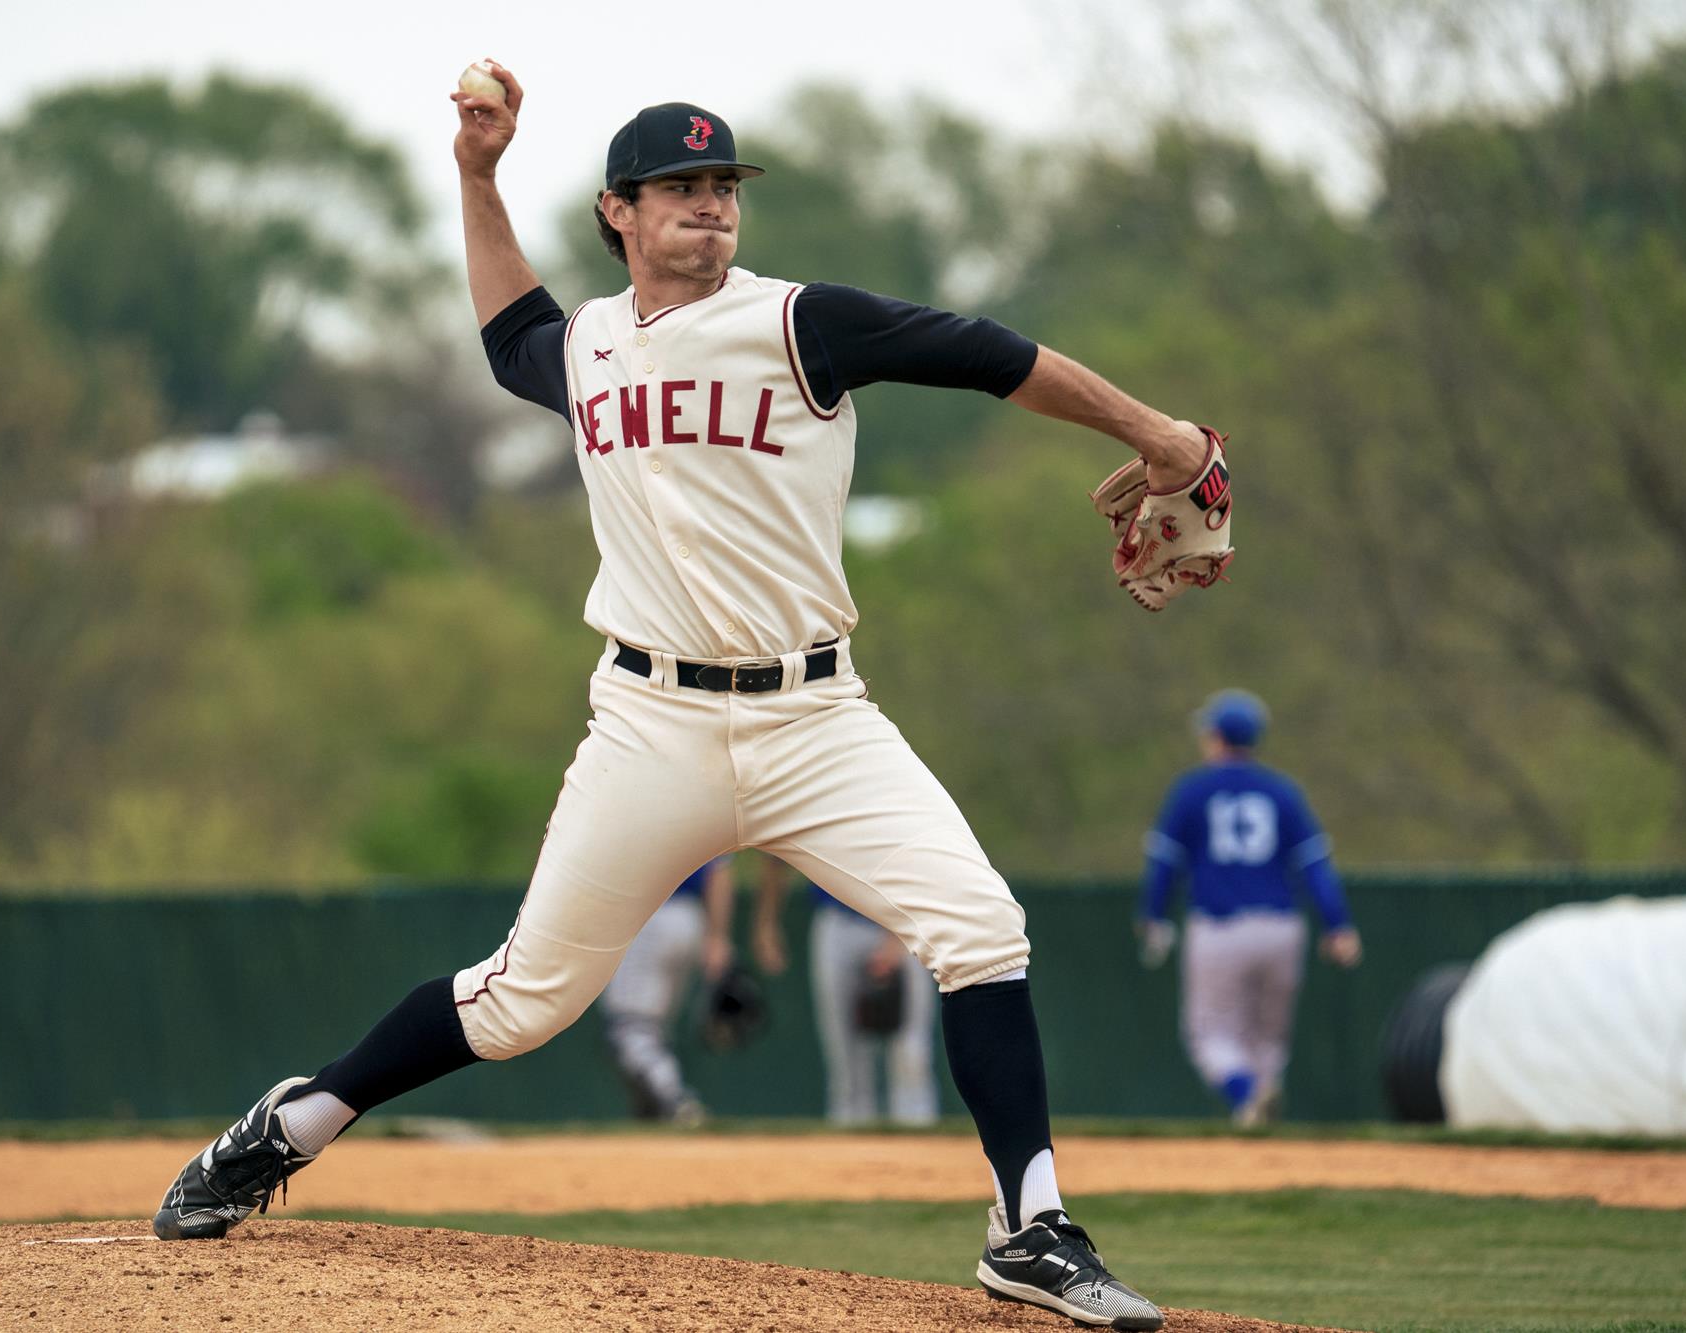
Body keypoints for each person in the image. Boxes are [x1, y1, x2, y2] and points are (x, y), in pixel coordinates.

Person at [151, 64, 1216, 1333]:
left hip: (817, 719)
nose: (710, 207)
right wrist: (477, 175)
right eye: (681, 189)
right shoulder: (592, 347)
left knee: (981, 930)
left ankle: (1027, 1230)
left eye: (722, 187)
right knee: (520, 1004)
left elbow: (987, 355)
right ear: (620, 212)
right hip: (647, 725)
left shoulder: (800, 323)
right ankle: (291, 1122)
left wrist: (1154, 433)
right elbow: (507, 340)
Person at [1136, 689, 1362, 1126]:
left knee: (1211, 1036)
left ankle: (1245, 1097)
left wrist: (1154, 917)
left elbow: (1165, 865)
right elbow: (1315, 865)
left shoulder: (1193, 790)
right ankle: (1262, 1107)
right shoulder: (1282, 791)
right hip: (1281, 927)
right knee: (1267, 1040)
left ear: (1216, 737)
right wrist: (1339, 925)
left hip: (1220, 928)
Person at [762, 858, 940, 1126]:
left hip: (903, 917)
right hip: (837, 919)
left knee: (910, 1052)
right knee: (845, 1058)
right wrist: (767, 924)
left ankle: (918, 1143)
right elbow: (775, 854)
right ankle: (850, 1150)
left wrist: (896, 938)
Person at [598, 855, 734, 1124]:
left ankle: (676, 1100)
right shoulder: (700, 810)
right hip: (689, 918)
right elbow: (719, 871)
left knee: (630, 1027)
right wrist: (717, 937)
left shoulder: (625, 811)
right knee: (653, 1031)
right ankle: (654, 1116)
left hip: (648, 916)